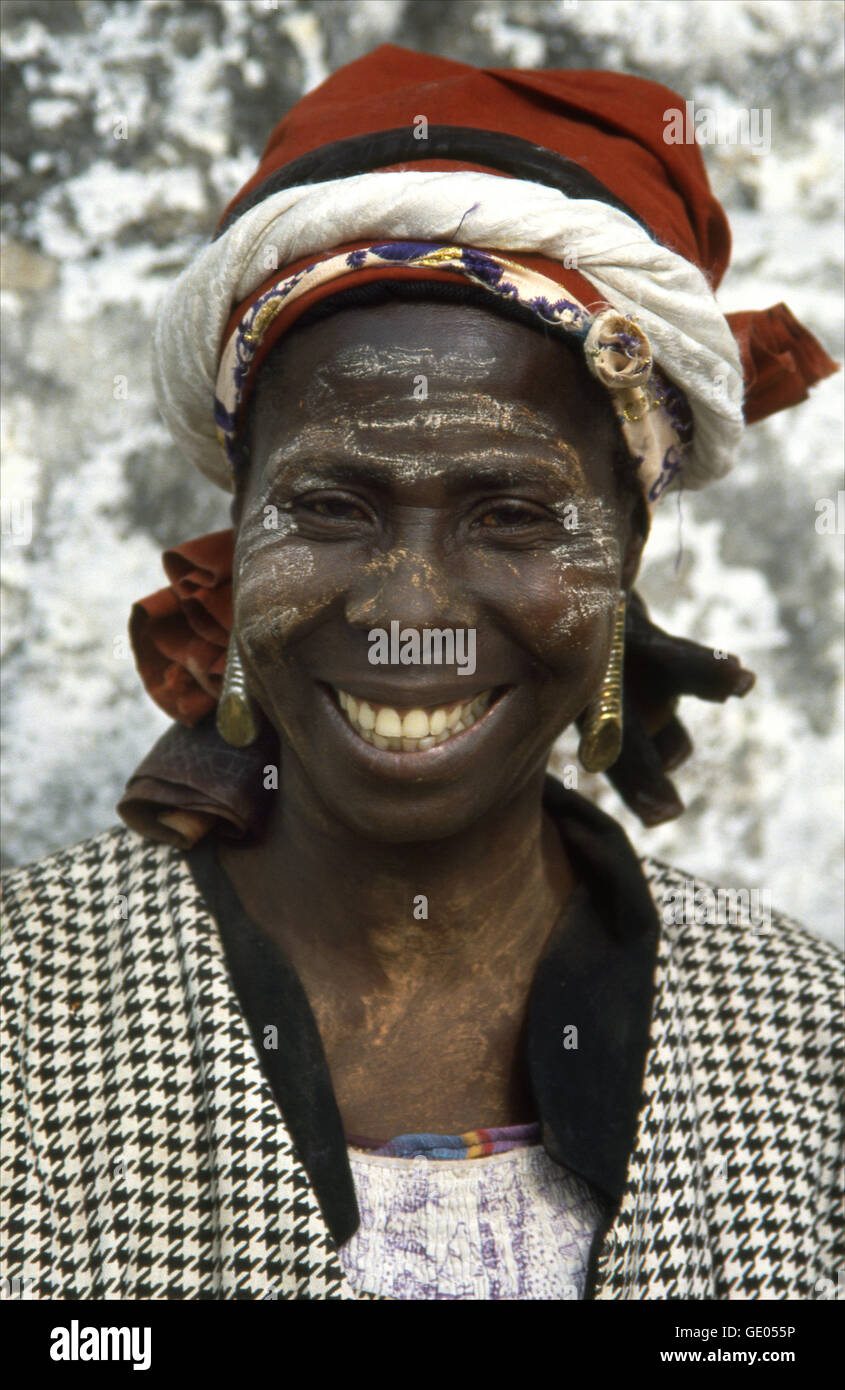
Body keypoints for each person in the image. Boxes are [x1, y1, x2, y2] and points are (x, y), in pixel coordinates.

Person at [1, 45, 840, 1302]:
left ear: (626, 547)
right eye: (331, 505)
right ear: (241, 519)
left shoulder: (806, 1049)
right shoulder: (25, 1022)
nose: (407, 614)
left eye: (509, 514)